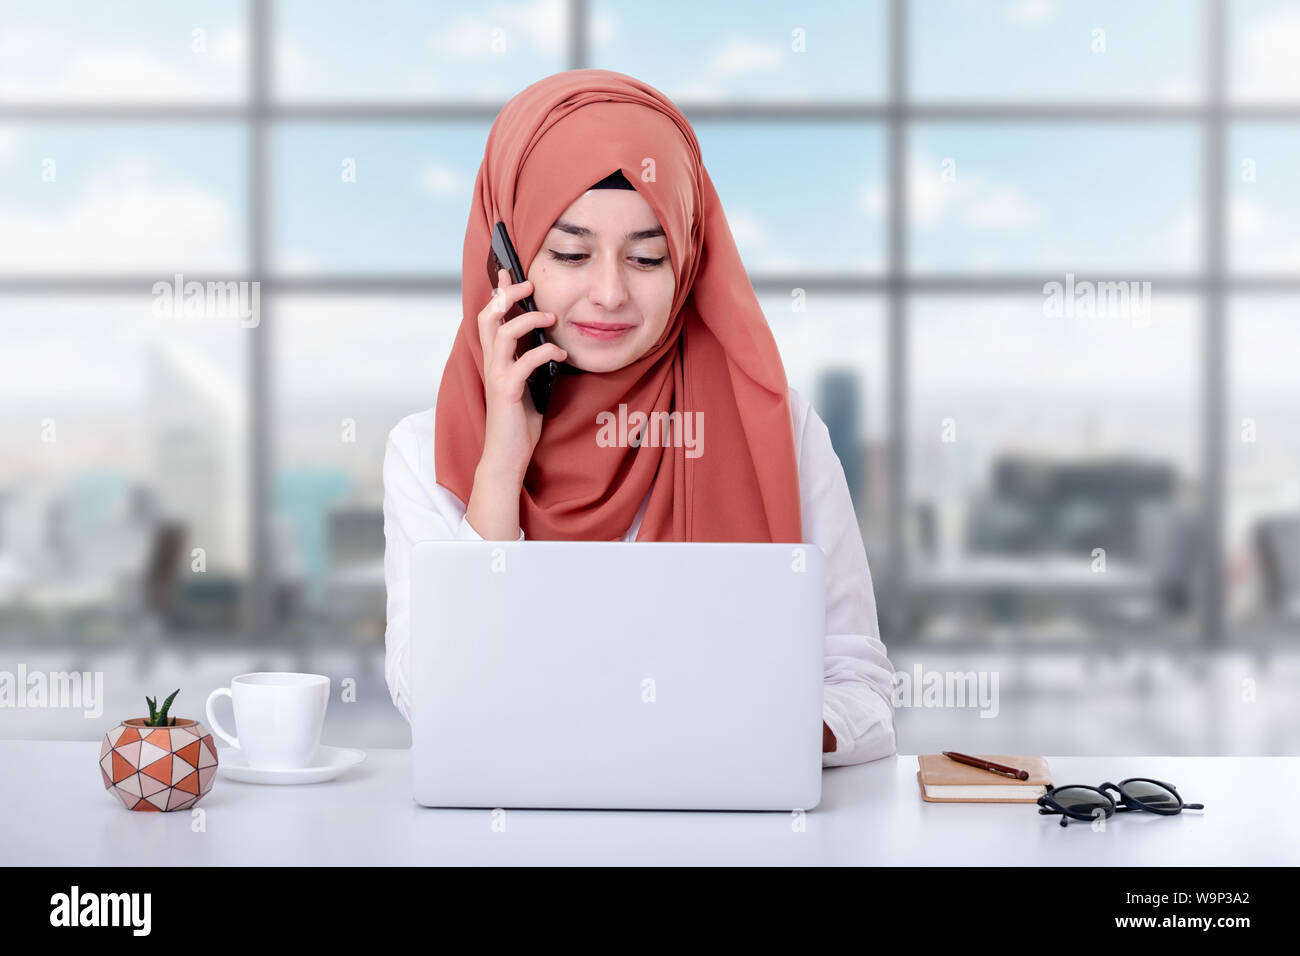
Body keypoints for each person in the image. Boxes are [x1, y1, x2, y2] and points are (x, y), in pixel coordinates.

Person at [383, 69, 896, 767]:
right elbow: (433, 698)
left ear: (688, 263)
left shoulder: (778, 431)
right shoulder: (425, 452)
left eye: (647, 257)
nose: (609, 293)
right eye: (570, 253)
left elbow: (859, 687)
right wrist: (501, 466)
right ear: (505, 262)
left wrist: (746, 737)